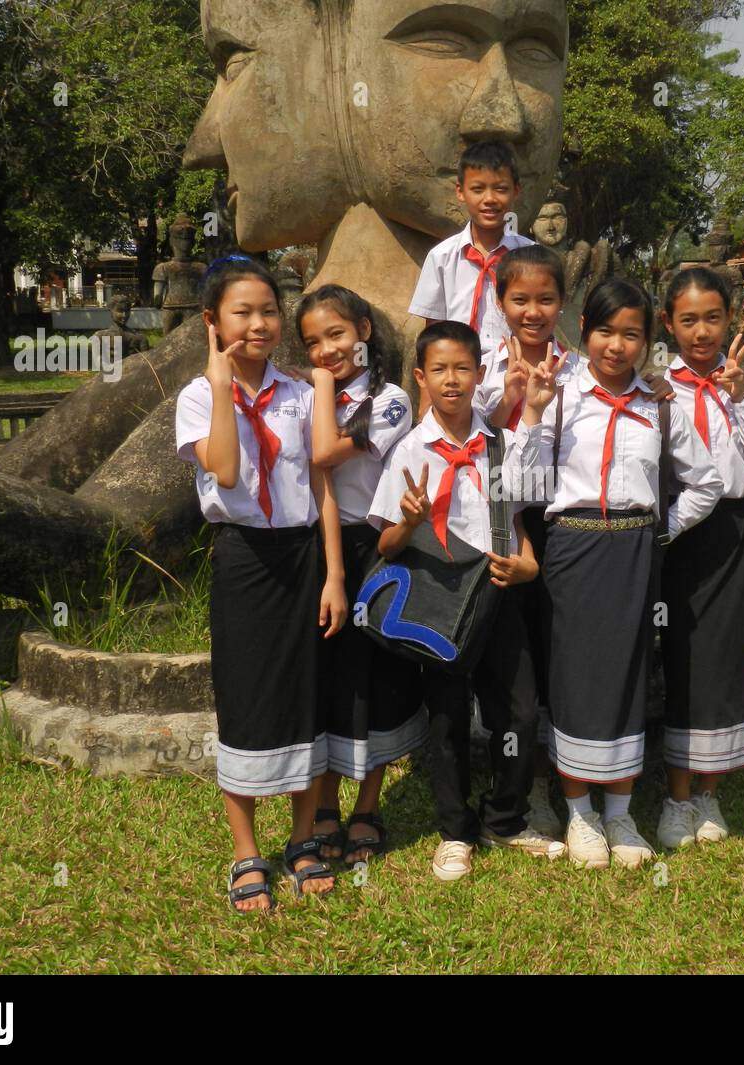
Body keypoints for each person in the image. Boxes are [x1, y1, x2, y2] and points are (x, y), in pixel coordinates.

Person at [513, 279, 723, 869]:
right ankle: (579, 813)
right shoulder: (558, 396)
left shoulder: (661, 405)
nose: (616, 345)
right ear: (584, 332)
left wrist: (663, 527)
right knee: (574, 678)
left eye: (631, 334)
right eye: (605, 331)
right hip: (571, 549)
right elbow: (522, 486)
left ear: (647, 341)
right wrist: (531, 413)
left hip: (635, 551)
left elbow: (705, 481)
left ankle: (620, 812)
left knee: (630, 672)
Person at [174, 255, 349, 913]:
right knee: (244, 696)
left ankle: (302, 839)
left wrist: (334, 573)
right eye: (242, 312)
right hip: (244, 559)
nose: (259, 323)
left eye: (269, 311)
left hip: (304, 555)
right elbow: (222, 469)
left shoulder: (302, 394)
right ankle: (247, 850)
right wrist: (223, 387)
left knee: (309, 693)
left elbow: (324, 488)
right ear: (212, 322)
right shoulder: (197, 396)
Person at [369, 321, 566, 881]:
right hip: (441, 603)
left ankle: (505, 817)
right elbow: (385, 543)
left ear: (480, 375)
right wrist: (407, 522)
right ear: (420, 377)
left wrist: (529, 562)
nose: (451, 381)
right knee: (448, 716)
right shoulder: (410, 450)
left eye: (462, 369)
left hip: (499, 595)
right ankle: (455, 830)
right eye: (439, 370)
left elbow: (516, 515)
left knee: (520, 711)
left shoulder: (498, 445)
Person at [656, 268, 744, 851]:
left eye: (712, 317)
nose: (702, 331)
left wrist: (738, 398)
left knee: (722, 660)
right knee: (677, 656)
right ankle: (672, 796)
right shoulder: (658, 387)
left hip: (731, 532)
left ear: (730, 318)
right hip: (673, 533)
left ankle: (706, 792)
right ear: (668, 324)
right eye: (688, 320)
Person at [300, 284, 426, 868]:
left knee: (378, 675)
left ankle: (368, 806)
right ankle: (324, 805)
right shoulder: (304, 398)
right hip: (322, 548)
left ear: (365, 333)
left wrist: (322, 388)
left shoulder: (393, 400)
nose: (327, 350)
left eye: (337, 335)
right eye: (313, 343)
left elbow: (325, 455)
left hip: (379, 547)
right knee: (325, 673)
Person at [476, 244, 582, 837]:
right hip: (505, 519)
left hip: (562, 519)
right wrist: (512, 392)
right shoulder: (487, 362)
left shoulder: (578, 367)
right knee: (511, 661)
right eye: (520, 299)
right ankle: (522, 784)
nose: (533, 311)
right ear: (501, 302)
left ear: (561, 302)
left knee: (553, 649)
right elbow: (470, 426)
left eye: (545, 299)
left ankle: (560, 777)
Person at [408, 141, 536, 393]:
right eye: (477, 189)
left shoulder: (531, 256)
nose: (489, 199)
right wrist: (427, 400)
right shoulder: (442, 257)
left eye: (500, 189)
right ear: (460, 191)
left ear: (516, 191)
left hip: (518, 372)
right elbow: (433, 334)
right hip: (459, 379)